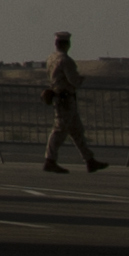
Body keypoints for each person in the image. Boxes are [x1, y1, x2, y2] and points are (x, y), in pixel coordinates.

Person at [42, 31, 108, 174]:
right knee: (59, 130)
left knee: (77, 131)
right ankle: (50, 160)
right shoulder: (66, 61)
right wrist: (81, 79)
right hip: (65, 98)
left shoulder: (51, 58)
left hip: (60, 96)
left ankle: (89, 160)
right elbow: (74, 81)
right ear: (68, 44)